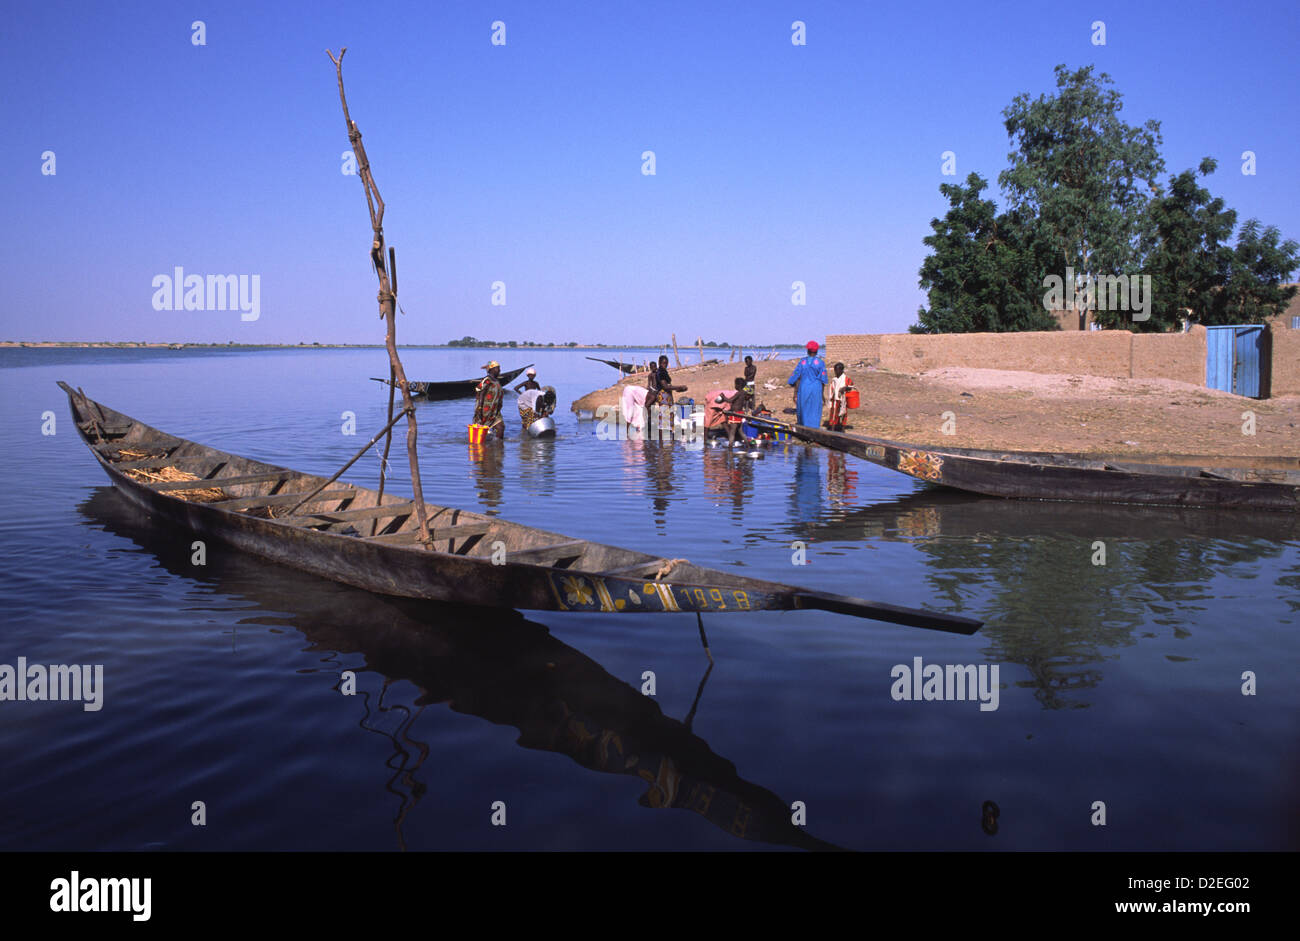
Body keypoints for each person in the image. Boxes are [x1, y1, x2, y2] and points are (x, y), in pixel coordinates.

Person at [787, 341, 828, 428]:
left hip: (804, 388)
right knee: (815, 409)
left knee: (803, 408)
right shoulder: (820, 363)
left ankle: (804, 427)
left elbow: (796, 377)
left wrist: (794, 391)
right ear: (816, 351)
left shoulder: (802, 362)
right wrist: (822, 395)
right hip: (816, 388)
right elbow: (823, 379)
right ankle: (814, 428)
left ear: (808, 351)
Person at [473, 361, 505, 437]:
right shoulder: (487, 380)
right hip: (485, 411)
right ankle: (486, 447)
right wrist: (480, 409)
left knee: (501, 428)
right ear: (491, 369)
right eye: (497, 368)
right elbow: (481, 394)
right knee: (480, 434)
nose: (499, 370)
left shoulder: (496, 381)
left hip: (495, 412)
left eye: (499, 368)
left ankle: (498, 445)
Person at [827, 362, 848, 432]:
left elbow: (851, 387)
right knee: (834, 414)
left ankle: (842, 429)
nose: (836, 372)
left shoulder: (846, 379)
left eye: (837, 370)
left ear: (842, 370)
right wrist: (830, 398)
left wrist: (845, 388)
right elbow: (832, 389)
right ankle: (833, 428)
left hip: (843, 400)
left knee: (843, 414)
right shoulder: (834, 379)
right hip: (835, 399)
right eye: (835, 370)